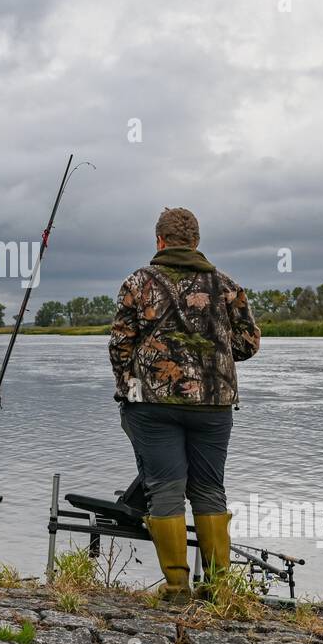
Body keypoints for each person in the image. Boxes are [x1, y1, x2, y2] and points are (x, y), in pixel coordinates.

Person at [108, 207, 261, 603]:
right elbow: (248, 343)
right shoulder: (226, 285)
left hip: (152, 403)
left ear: (159, 241)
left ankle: (177, 590)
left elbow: (120, 344)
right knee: (210, 489)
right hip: (213, 404)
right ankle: (218, 590)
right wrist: (209, 359)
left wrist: (130, 385)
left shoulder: (138, 283)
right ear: (196, 242)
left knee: (165, 489)